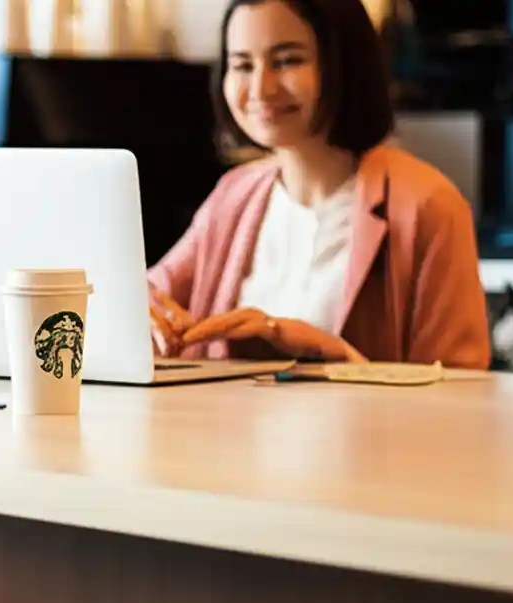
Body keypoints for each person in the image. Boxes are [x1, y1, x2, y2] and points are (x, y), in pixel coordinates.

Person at [147, 0, 490, 369]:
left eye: (287, 61)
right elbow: (149, 291)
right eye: (243, 65)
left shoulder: (428, 205)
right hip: (224, 426)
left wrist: (340, 359)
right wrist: (146, 312)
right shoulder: (235, 195)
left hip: (366, 429)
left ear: (345, 64)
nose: (261, 87)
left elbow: (461, 391)